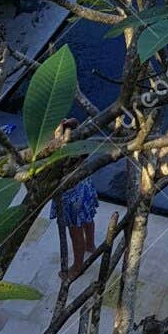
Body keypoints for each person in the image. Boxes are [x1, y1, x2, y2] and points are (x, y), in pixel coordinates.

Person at [49, 118, 100, 280]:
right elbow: (76, 124)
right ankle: (90, 245)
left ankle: (78, 266)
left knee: (75, 232)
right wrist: (68, 125)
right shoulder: (80, 149)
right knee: (87, 218)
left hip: (71, 197)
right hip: (84, 187)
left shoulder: (63, 157)